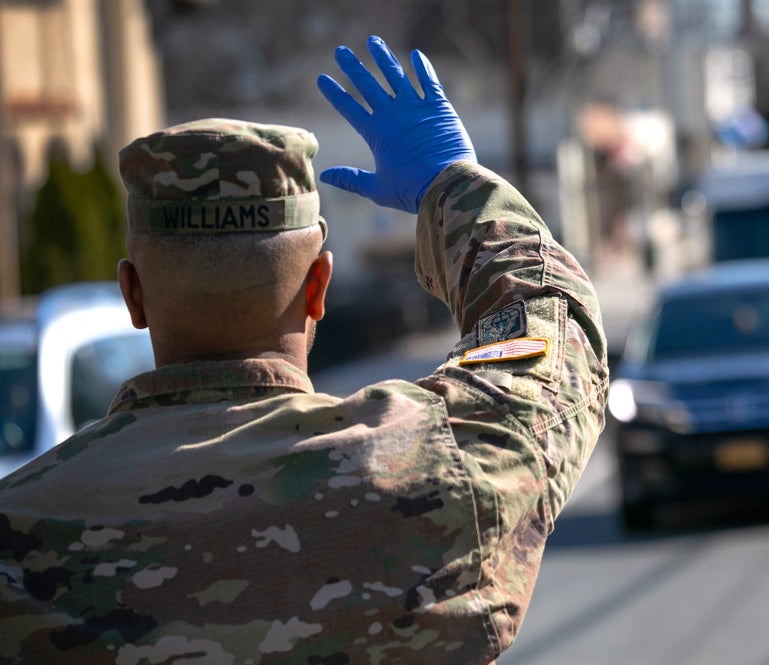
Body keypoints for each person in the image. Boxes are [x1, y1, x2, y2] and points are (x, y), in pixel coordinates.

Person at [0, 35, 607, 664]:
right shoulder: (434, 468)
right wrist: (454, 188)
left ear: (132, 294)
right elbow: (556, 338)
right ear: (318, 286)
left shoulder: (15, 541)